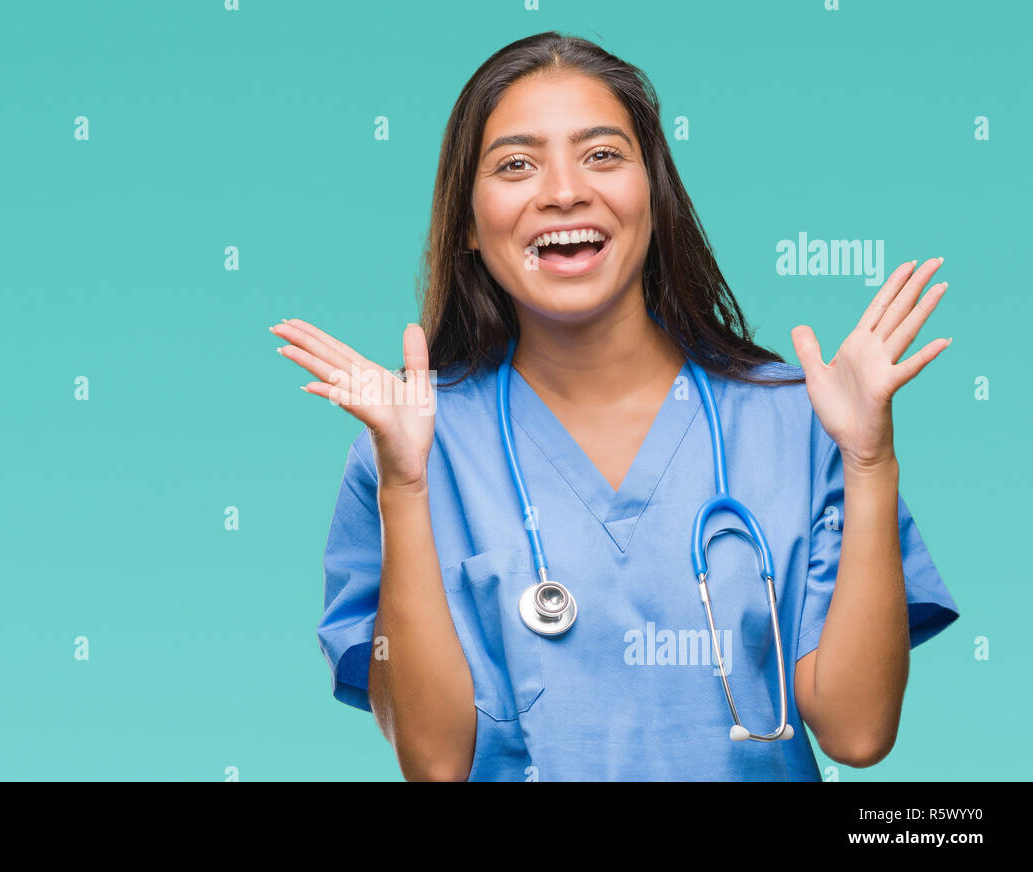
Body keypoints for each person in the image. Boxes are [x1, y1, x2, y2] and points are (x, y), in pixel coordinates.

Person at [271, 31, 959, 781]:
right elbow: (435, 763)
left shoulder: (804, 422)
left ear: (654, 196)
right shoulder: (408, 443)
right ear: (467, 223)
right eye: (515, 165)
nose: (564, 190)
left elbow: (859, 734)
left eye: (602, 154)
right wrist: (406, 490)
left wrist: (868, 461)